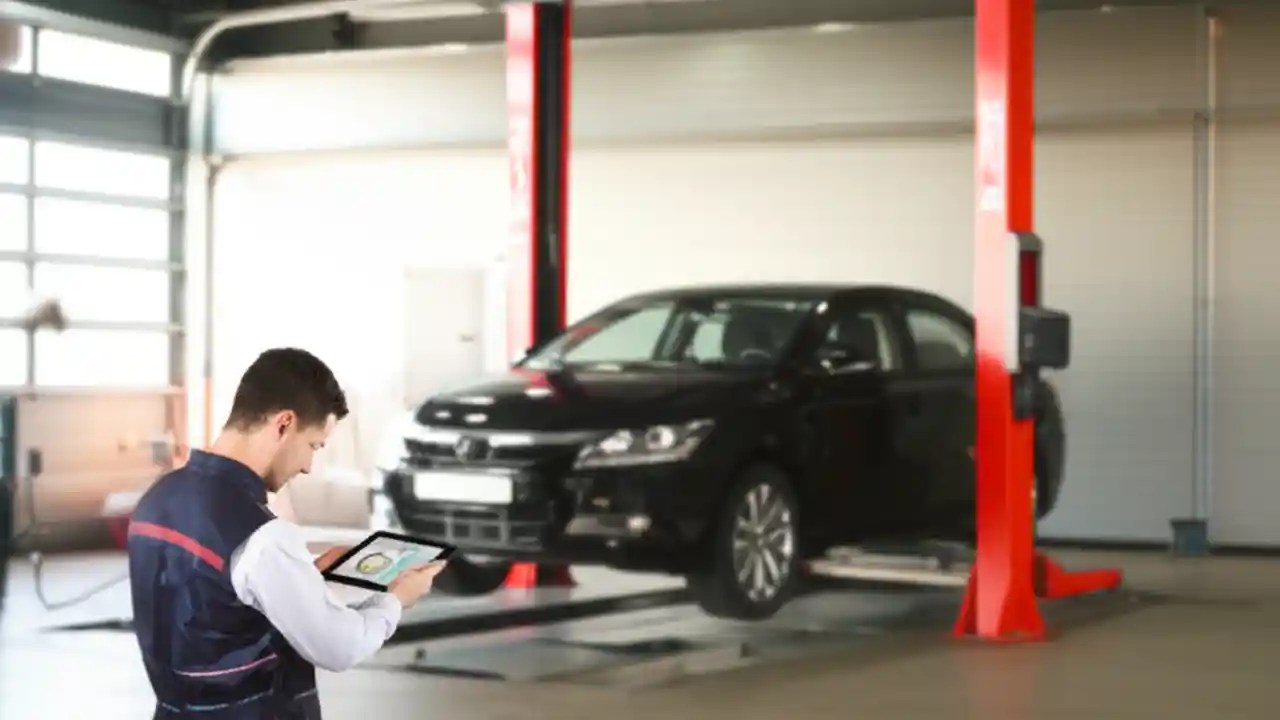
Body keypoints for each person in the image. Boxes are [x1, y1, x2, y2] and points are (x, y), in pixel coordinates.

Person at [127, 347, 446, 719]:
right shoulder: (264, 537)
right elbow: (339, 647)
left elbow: (214, 607)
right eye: (313, 445)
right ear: (283, 424)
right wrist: (394, 600)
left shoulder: (155, 501)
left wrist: (307, 575)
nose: (309, 466)